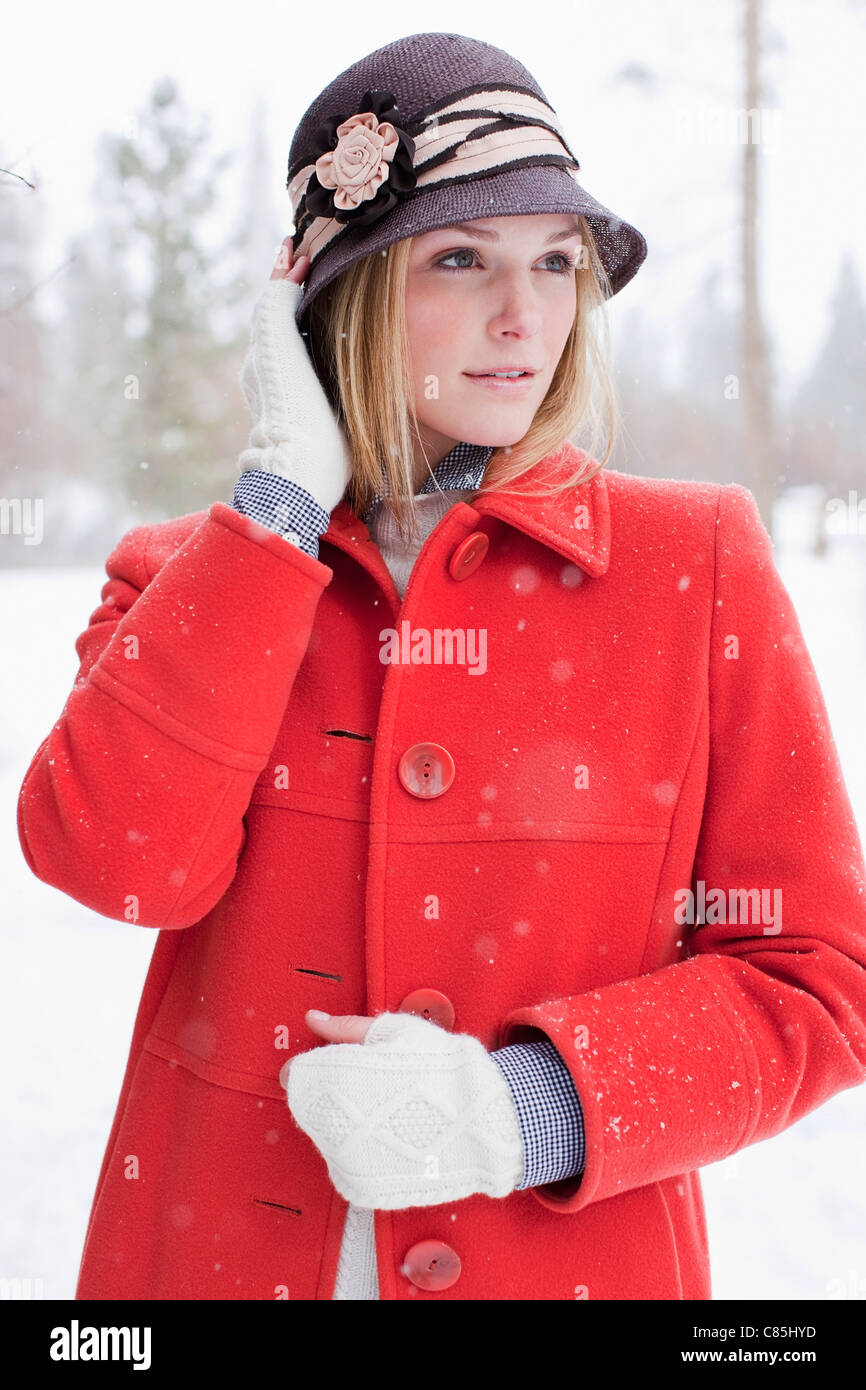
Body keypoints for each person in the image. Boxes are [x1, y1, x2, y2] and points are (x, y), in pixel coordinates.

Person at [17, 31, 866, 1303]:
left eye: (556, 264)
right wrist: (274, 509)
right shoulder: (188, 574)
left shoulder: (690, 564)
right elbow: (119, 863)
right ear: (340, 294)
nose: (523, 316)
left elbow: (817, 976)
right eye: (459, 259)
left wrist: (525, 1106)